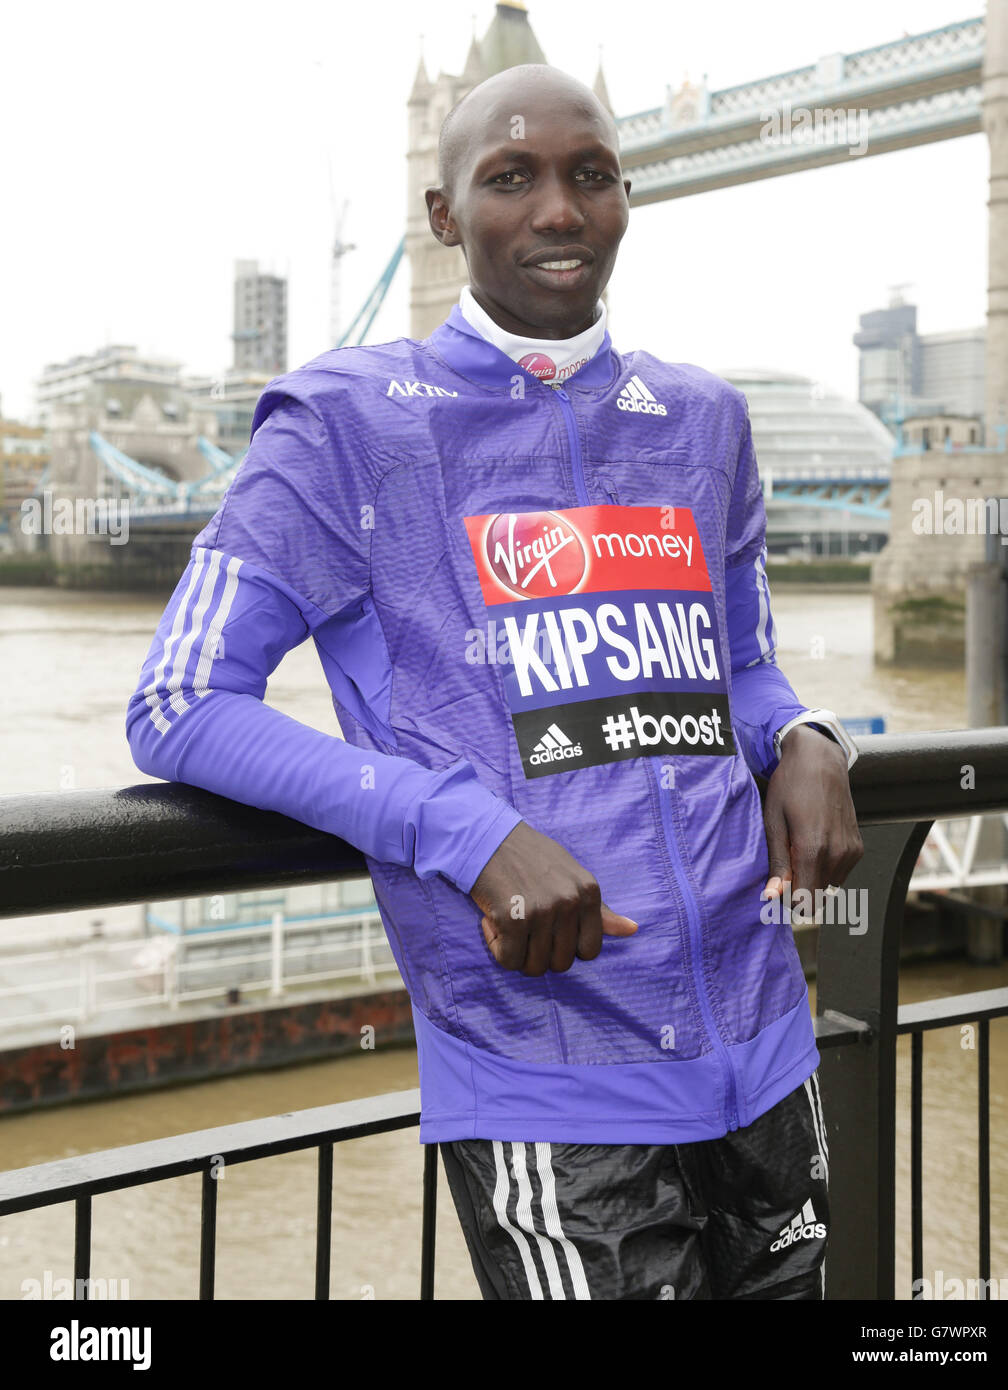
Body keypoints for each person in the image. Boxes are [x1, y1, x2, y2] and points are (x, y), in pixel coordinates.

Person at [125, 62, 864, 1300]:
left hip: (766, 1043)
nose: (558, 210)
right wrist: (461, 830)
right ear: (443, 214)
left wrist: (803, 732)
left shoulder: (702, 420)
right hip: (547, 1068)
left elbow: (734, 665)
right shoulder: (345, 424)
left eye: (590, 175)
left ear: (622, 198)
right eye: (509, 177)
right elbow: (179, 703)